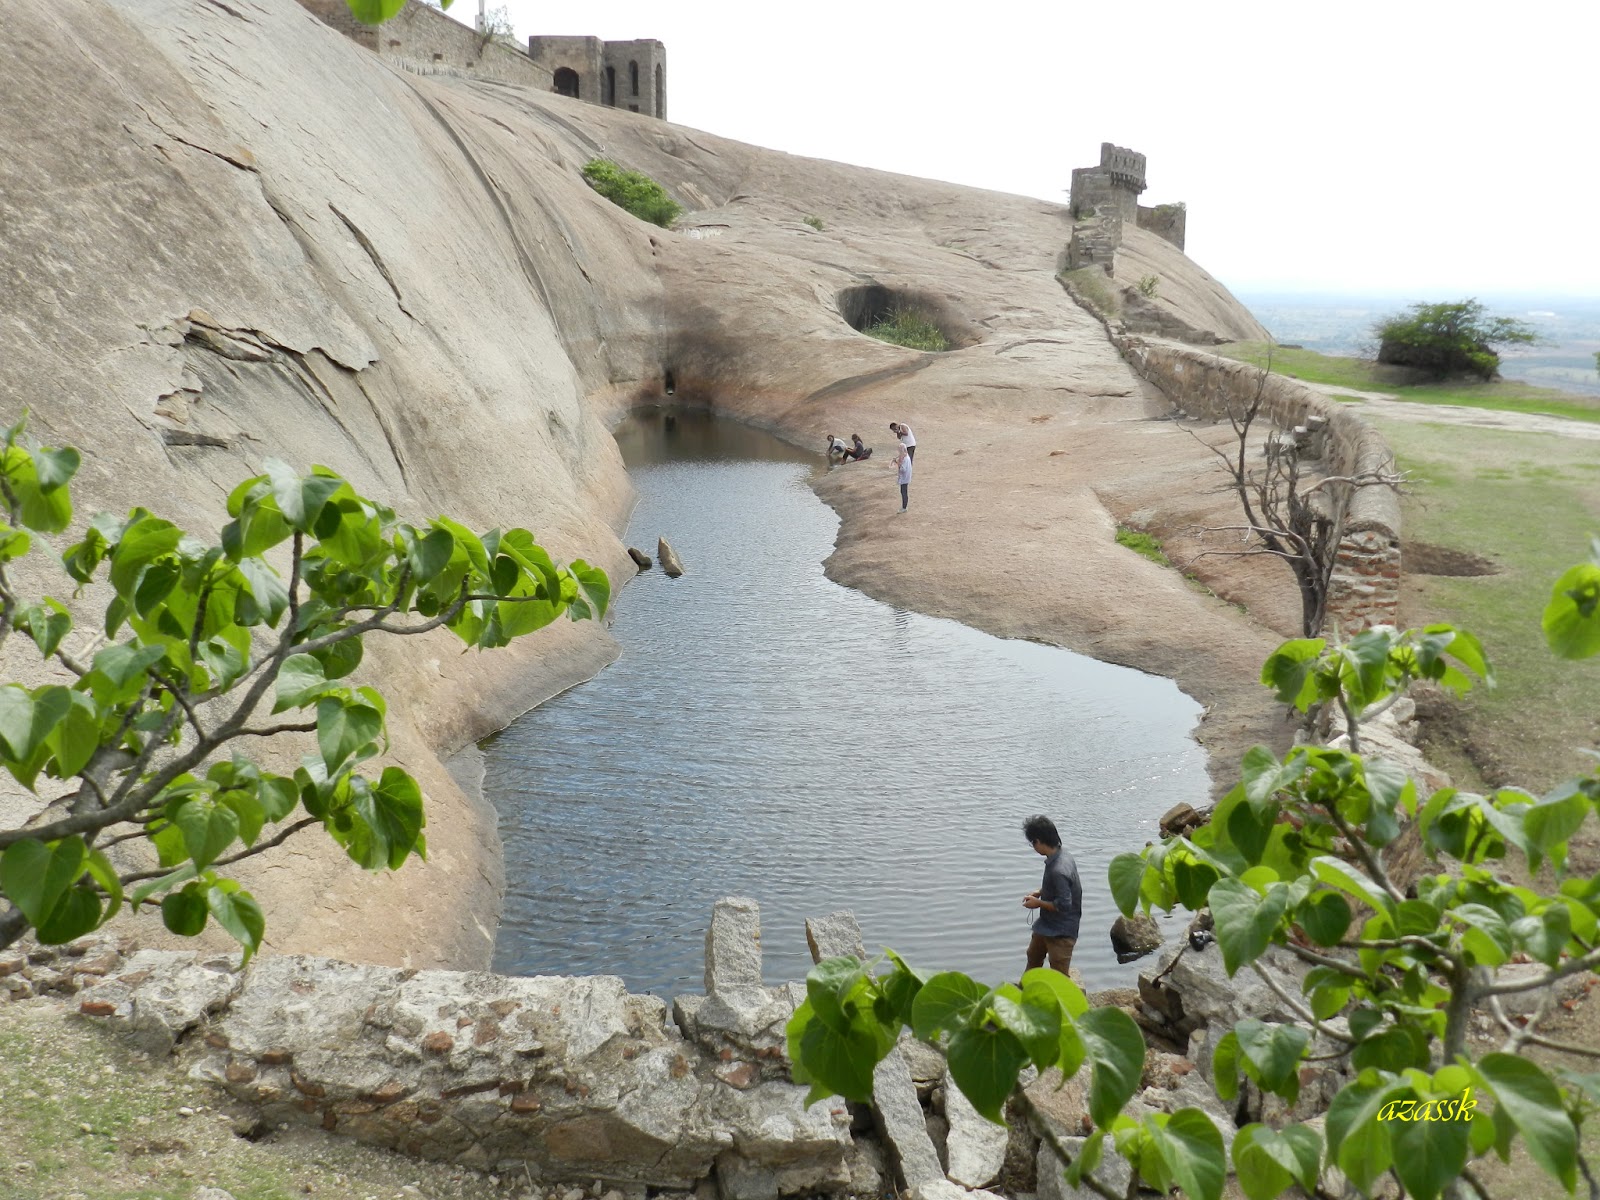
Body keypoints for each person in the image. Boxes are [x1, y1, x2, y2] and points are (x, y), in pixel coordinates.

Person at [1021, 815, 1082, 978]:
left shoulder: (1059, 870)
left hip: (1062, 931)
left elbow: (1064, 905)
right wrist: (1040, 892)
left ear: (1038, 841)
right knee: (1033, 956)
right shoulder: (1062, 855)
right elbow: (1062, 887)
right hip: (1046, 925)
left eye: (1032, 843)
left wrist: (1038, 903)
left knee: (1059, 973)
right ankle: (1027, 992)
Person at [894, 444, 912, 512]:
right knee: (903, 491)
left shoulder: (905, 459)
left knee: (903, 492)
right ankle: (904, 506)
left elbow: (903, 469)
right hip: (906, 477)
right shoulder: (906, 457)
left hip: (905, 478)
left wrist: (898, 464)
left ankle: (904, 507)